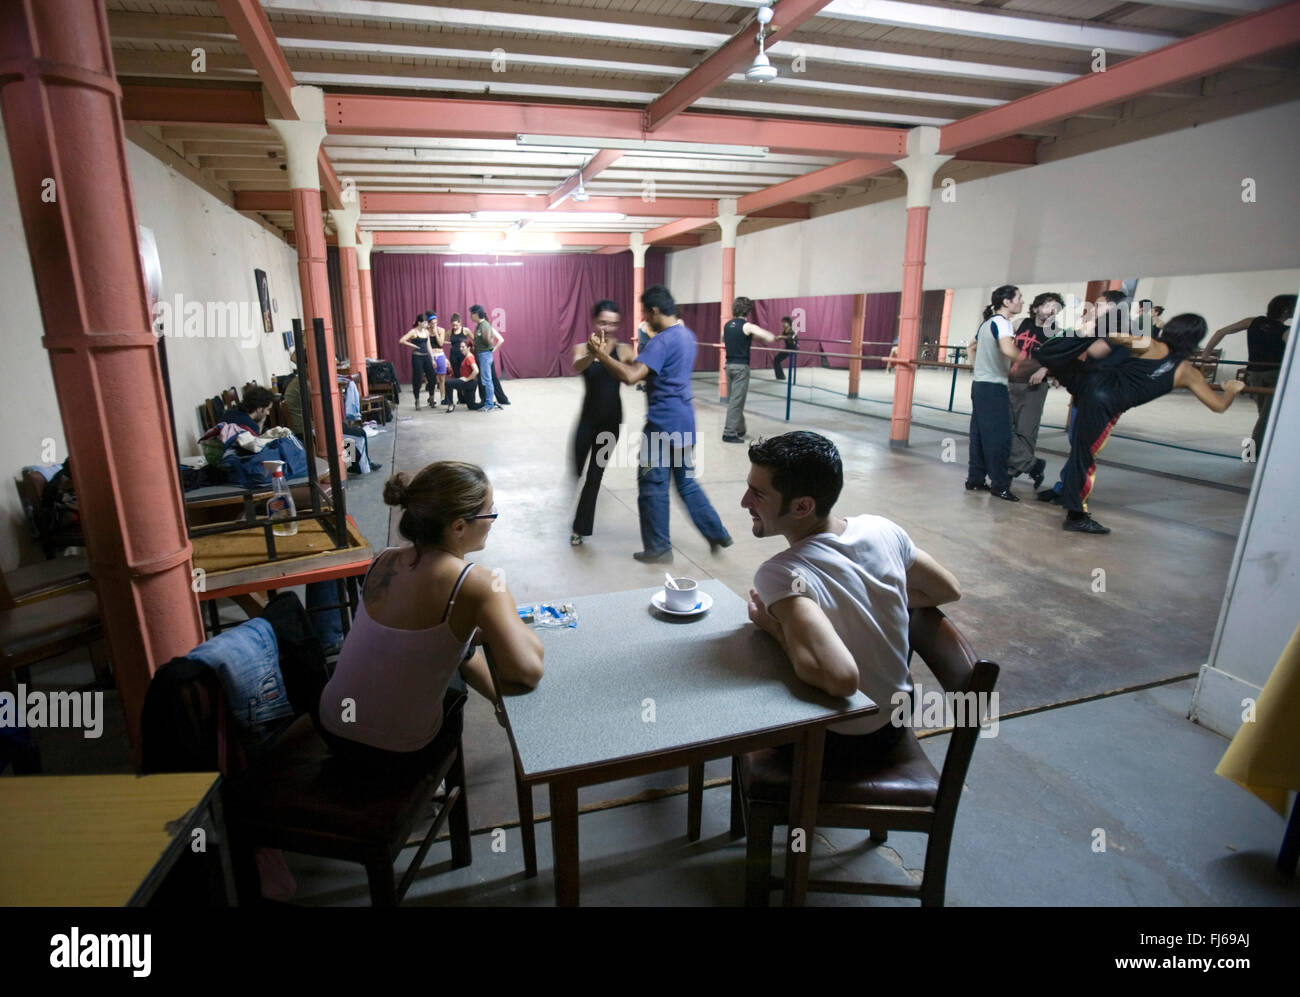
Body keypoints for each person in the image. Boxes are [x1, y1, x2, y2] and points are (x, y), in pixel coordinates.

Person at [317, 462, 544, 775]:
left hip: (333, 729)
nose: (492, 520)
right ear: (459, 527)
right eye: (489, 512)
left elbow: (438, 643)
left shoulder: (382, 560)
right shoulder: (477, 584)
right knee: (454, 687)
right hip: (400, 753)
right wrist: (509, 614)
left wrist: (496, 699)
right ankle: (425, 782)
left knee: (447, 654)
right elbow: (527, 670)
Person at [742, 432, 961, 753]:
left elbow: (843, 680)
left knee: (744, 706)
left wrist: (775, 626)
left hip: (850, 737)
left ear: (802, 506)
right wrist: (869, 595)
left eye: (758, 494)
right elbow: (947, 589)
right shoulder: (882, 529)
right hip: (899, 714)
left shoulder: (781, 573)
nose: (745, 502)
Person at [1033, 313, 1246, 534]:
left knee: (1049, 355)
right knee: (1084, 457)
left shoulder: (1150, 344)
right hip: (1104, 404)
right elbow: (1218, 406)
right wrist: (1231, 390)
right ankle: (1076, 516)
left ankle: (1067, 498)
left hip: (1088, 382)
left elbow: (1109, 345)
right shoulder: (1188, 373)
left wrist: (1103, 334)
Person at [585, 285, 733, 563]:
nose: (644, 319)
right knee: (687, 482)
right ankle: (717, 533)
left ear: (654, 311)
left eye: (645, 313)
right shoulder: (686, 336)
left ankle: (658, 548)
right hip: (684, 422)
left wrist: (602, 355)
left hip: (661, 426)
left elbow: (631, 377)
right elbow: (656, 373)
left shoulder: (661, 341)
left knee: (652, 484)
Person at [571, 300, 632, 546]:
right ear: (595, 322)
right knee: (576, 469)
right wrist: (593, 352)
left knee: (594, 475)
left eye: (614, 323)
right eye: (604, 322)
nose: (609, 327)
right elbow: (577, 366)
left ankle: (580, 528)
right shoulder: (581, 348)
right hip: (587, 419)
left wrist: (605, 356)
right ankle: (578, 500)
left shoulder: (625, 349)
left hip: (611, 422)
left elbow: (630, 375)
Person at [1200, 293, 1293, 452]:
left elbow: (1221, 332)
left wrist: (1205, 355)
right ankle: (1255, 451)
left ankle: (1263, 447)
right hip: (1274, 375)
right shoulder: (1286, 331)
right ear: (1286, 311)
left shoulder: (1252, 322)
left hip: (1254, 374)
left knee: (1265, 413)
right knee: (1267, 416)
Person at [965, 284, 1024, 501]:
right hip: (994, 387)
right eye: (1019, 298)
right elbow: (1008, 350)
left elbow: (970, 348)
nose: (1022, 302)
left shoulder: (987, 323)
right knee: (999, 438)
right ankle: (1000, 485)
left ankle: (975, 479)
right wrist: (1030, 362)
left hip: (980, 385)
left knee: (979, 435)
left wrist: (979, 369)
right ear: (1007, 302)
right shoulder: (1003, 323)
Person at [1006, 292, 1062, 489]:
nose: (1051, 310)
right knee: (1006, 428)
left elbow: (1063, 358)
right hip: (1010, 382)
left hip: (1034, 388)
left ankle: (1008, 476)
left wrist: (1046, 369)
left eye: (1056, 308)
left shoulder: (1056, 333)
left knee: (1026, 431)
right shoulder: (1020, 323)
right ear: (1037, 307)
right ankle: (1033, 466)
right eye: (1048, 305)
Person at [721, 296, 777, 443]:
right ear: (747, 310)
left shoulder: (727, 325)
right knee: (736, 401)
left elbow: (723, 338)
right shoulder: (747, 326)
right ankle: (729, 432)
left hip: (729, 366)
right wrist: (764, 337)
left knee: (735, 399)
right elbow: (768, 337)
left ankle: (740, 428)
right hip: (741, 368)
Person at [399, 314, 438, 409]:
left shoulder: (426, 332)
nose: (426, 324)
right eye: (424, 323)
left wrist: (432, 359)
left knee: (432, 377)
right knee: (417, 379)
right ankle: (417, 400)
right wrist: (414, 346)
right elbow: (402, 340)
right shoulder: (414, 331)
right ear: (419, 322)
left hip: (426, 357)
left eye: (426, 323)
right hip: (417, 357)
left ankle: (431, 398)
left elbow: (428, 345)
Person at [469, 304, 503, 412]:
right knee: (485, 380)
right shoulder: (479, 325)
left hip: (484, 355)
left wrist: (491, 347)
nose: (470, 316)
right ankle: (487, 402)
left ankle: (489, 404)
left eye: (472, 314)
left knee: (487, 380)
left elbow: (489, 341)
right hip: (481, 355)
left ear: (476, 314)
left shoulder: (485, 325)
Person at [443, 341, 483, 412]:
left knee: (448, 383)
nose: (461, 349)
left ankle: (451, 404)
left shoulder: (469, 357)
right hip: (472, 383)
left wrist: (467, 379)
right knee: (472, 406)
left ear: (469, 348)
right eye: (460, 347)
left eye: (463, 347)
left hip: (469, 383)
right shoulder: (467, 356)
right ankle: (489, 403)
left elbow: (476, 370)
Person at [428, 311, 448, 405]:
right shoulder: (426, 331)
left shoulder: (441, 330)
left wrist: (436, 333)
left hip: (439, 354)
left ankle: (443, 397)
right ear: (429, 323)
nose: (434, 325)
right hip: (431, 355)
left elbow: (441, 343)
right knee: (432, 379)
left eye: (436, 323)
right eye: (432, 323)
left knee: (442, 378)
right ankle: (432, 398)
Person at [773, 316, 798, 380]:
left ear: (789, 323)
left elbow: (790, 337)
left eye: (785, 322)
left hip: (793, 348)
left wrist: (781, 336)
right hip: (788, 347)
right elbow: (779, 338)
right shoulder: (784, 330)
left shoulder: (792, 331)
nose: (783, 324)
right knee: (776, 359)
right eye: (783, 322)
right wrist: (777, 337)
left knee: (777, 359)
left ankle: (781, 376)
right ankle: (780, 376)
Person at [446, 312, 470, 378]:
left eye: (456, 325)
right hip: (453, 355)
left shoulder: (465, 330)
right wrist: (449, 343)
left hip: (463, 354)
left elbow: (473, 340)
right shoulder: (450, 332)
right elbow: (442, 341)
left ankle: (465, 387)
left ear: (460, 323)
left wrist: (469, 350)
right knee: (456, 373)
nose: (455, 327)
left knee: (465, 372)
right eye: (453, 325)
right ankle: (458, 387)